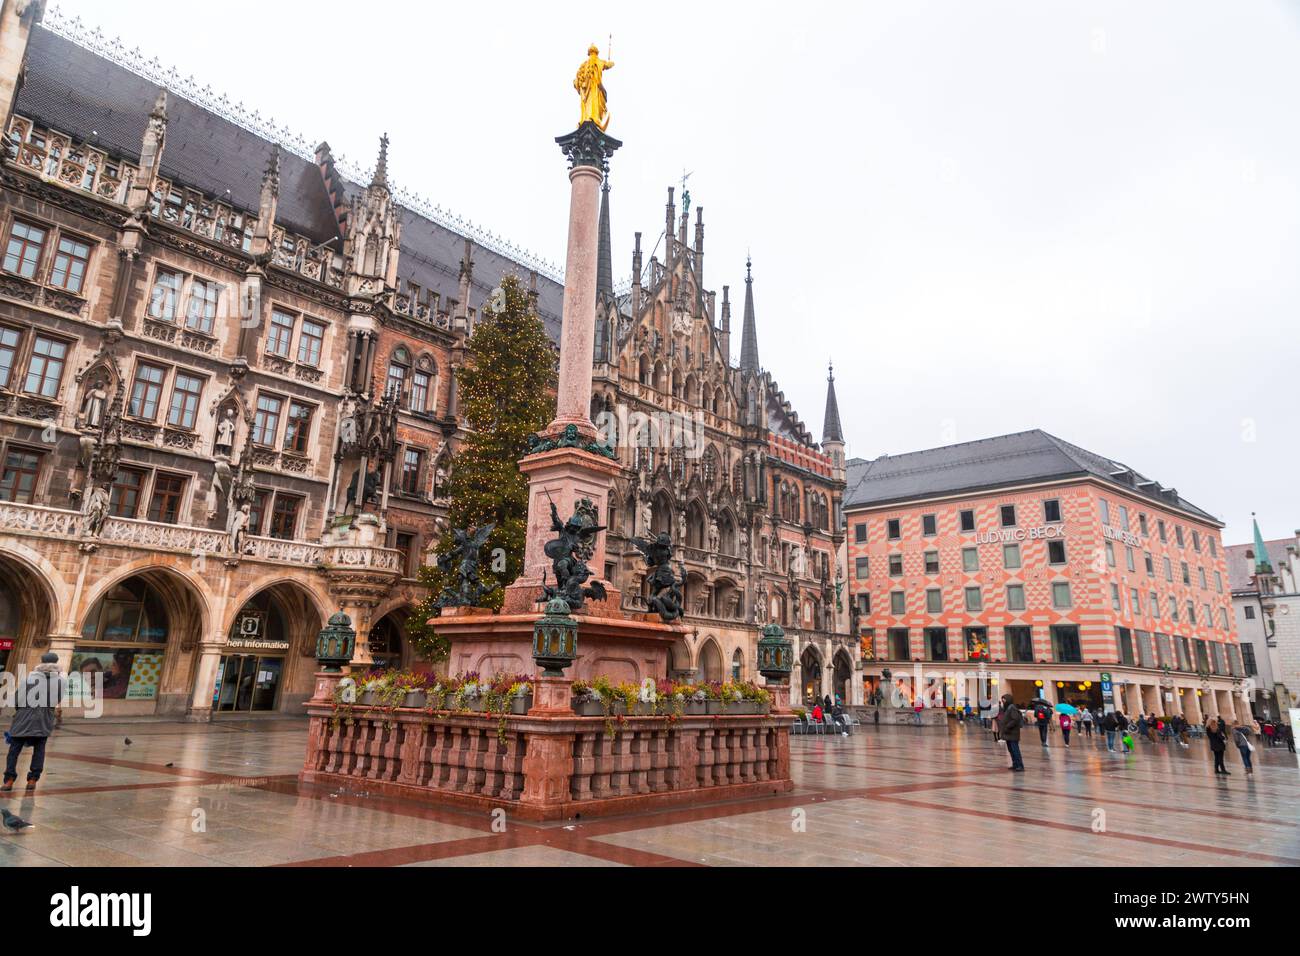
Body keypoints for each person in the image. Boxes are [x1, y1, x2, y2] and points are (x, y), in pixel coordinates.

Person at [3, 652, 64, 793]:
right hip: (44, 719)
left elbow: (18, 699)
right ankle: (32, 779)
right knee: (39, 749)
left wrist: (21, 711)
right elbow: (56, 700)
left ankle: (9, 780)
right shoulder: (61, 681)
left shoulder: (30, 678)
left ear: (41, 663)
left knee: (14, 749)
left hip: (24, 718)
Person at [995, 695, 1025, 771]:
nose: (1003, 702)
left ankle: (1020, 765)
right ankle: (1015, 764)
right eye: (1002, 700)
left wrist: (1007, 726)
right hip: (1008, 733)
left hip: (1012, 733)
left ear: (1008, 700)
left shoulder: (1012, 708)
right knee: (1011, 749)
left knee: (1015, 749)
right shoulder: (1008, 708)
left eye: (1004, 700)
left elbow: (1015, 719)